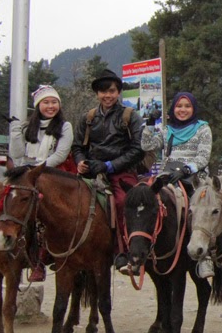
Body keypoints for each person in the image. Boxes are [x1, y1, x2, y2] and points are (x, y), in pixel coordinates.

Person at [0, 85, 75, 281]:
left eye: (54, 102)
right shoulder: (27, 127)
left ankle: (38, 261)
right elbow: (17, 155)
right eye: (46, 102)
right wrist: (16, 132)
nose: (51, 106)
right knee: (2, 207)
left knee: (41, 215)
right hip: (25, 173)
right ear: (38, 105)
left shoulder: (65, 127)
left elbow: (60, 155)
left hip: (50, 174)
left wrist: (36, 170)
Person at [72, 69, 145, 274]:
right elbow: (77, 146)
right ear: (97, 94)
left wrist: (110, 165)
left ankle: (126, 252)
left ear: (118, 92)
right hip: (92, 171)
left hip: (121, 172)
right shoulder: (87, 118)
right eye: (103, 92)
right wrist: (80, 162)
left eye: (112, 91)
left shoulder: (130, 117)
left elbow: (138, 149)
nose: (107, 95)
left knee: (123, 202)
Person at [143, 91, 214, 277]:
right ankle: (142, 251)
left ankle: (205, 257)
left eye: (187, 106)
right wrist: (150, 123)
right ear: (173, 109)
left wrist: (185, 170)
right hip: (167, 175)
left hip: (194, 176)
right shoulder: (167, 130)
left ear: (194, 108)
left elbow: (203, 157)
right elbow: (146, 146)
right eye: (179, 106)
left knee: (201, 209)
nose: (183, 110)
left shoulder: (203, 129)